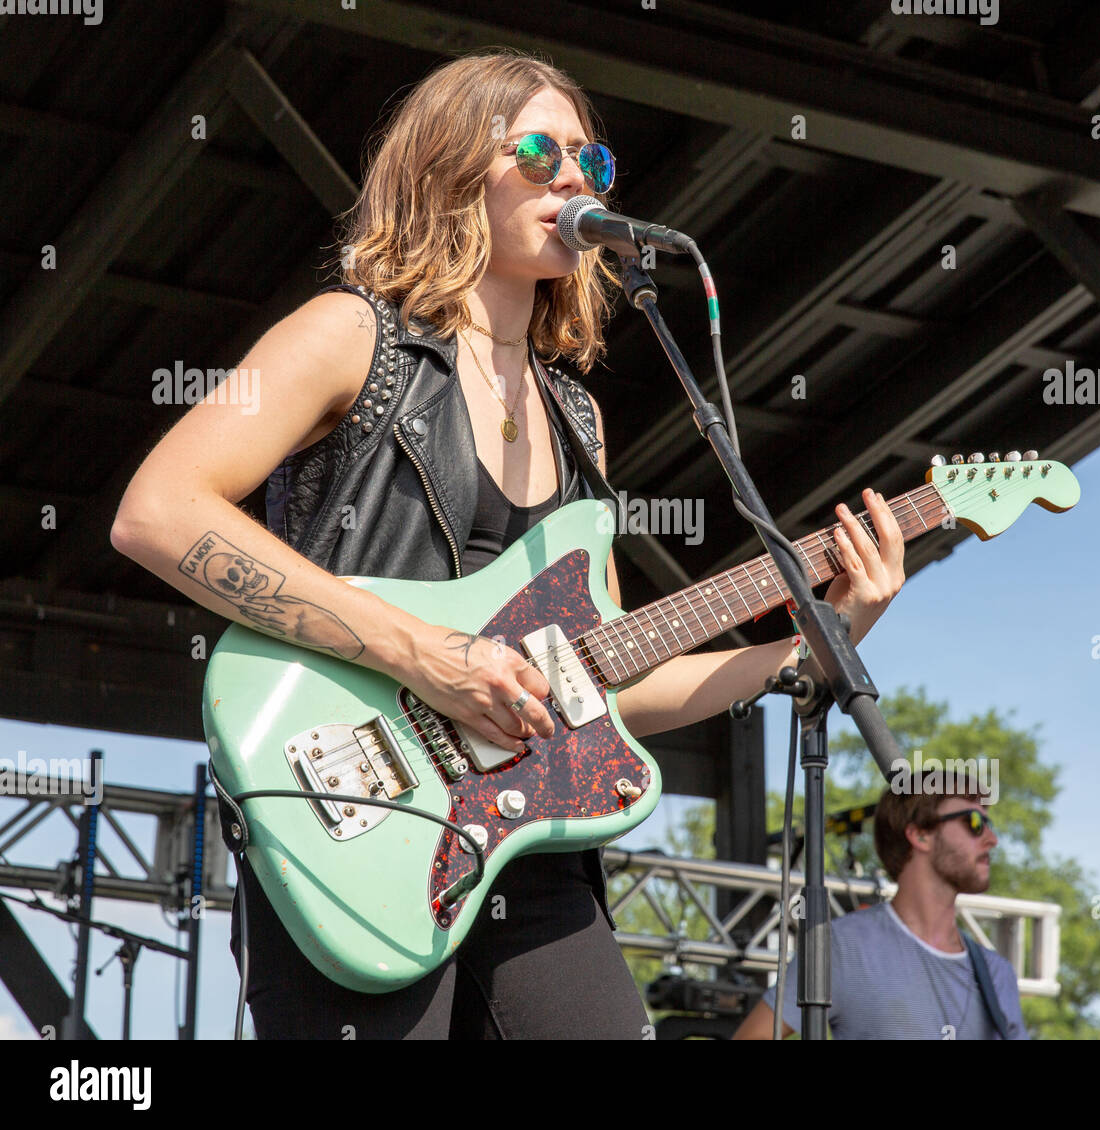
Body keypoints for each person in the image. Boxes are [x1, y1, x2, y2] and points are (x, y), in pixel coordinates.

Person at [110, 48, 907, 1039]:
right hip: (357, 824)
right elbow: (159, 511)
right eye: (539, 153)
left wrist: (811, 645)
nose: (574, 177)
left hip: (532, 844)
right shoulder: (348, 336)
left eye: (591, 160)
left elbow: (606, 681)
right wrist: (429, 655)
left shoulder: (579, 416)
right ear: (449, 168)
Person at [733, 778, 1028, 1039]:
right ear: (920, 835)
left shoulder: (995, 973)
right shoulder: (842, 947)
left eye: (988, 825)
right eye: (974, 823)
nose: (992, 839)